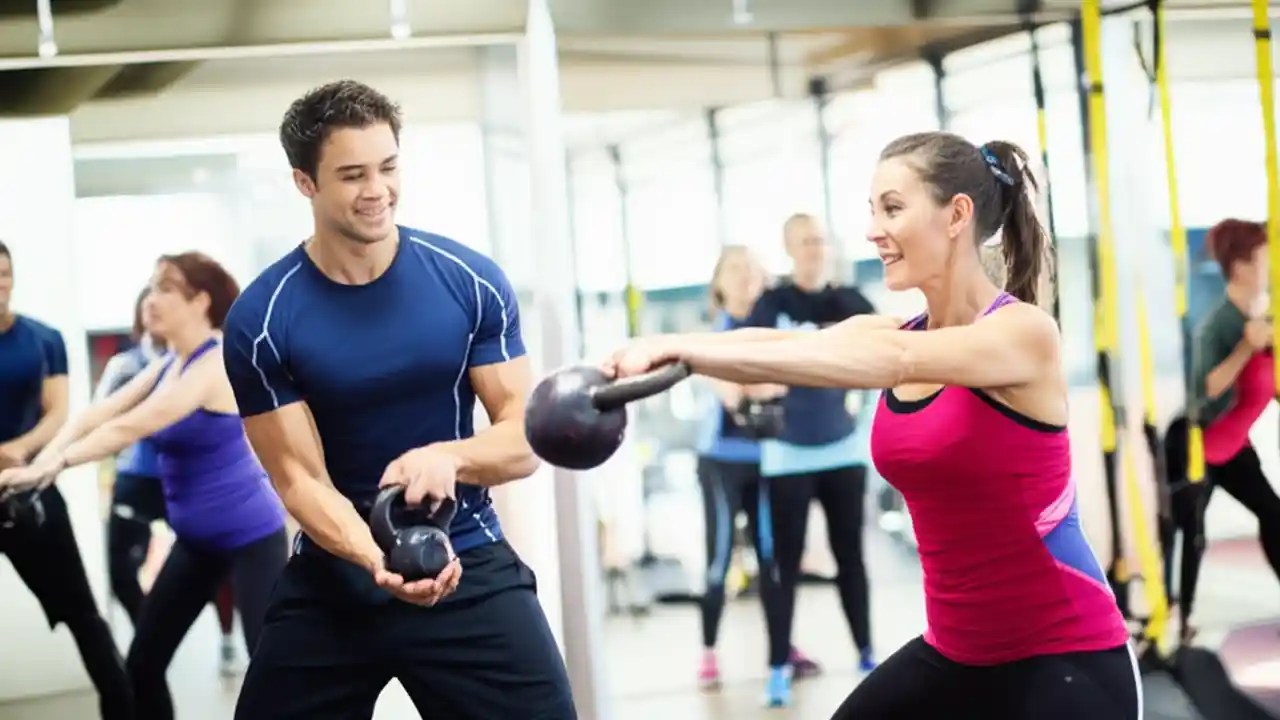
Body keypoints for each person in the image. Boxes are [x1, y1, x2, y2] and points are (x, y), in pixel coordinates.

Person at [603, 132, 1140, 719]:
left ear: (956, 214)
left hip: (1064, 661)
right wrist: (668, 350)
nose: (872, 230)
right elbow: (781, 343)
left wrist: (686, 352)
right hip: (956, 656)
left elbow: (890, 364)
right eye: (872, 210)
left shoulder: (1022, 335)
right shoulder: (897, 332)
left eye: (892, 208)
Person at [221, 79, 574, 720]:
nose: (377, 190)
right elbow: (299, 480)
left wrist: (453, 457)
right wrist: (374, 560)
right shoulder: (262, 320)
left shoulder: (469, 282)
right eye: (352, 175)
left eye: (387, 167)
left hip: (465, 556)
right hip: (335, 576)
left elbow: (526, 435)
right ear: (306, 183)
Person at [1, 251, 290, 720]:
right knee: (143, 665)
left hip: (251, 540)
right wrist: (47, 458)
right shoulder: (170, 363)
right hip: (196, 543)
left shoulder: (215, 361)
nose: (150, 301)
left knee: (272, 676)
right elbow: (100, 414)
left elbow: (130, 427)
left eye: (165, 289)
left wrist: (45, 470)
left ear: (200, 301)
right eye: (152, 288)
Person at [740, 212, 878, 706]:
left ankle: (867, 655)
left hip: (842, 449)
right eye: (805, 241)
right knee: (784, 565)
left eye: (820, 239)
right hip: (787, 455)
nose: (814, 248)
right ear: (789, 247)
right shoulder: (772, 303)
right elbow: (742, 359)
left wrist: (859, 397)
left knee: (850, 557)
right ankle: (778, 666)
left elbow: (890, 352)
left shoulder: (850, 302)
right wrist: (758, 386)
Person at [0, 240, 134, 720]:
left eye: (5, 275)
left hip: (27, 492)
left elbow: (57, 412)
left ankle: (123, 711)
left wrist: (18, 449)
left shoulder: (44, 338)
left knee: (82, 613)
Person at [94, 287, 243, 676]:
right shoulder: (127, 366)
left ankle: (226, 639)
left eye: (164, 302)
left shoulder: (202, 362)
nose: (155, 310)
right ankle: (152, 629)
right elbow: (104, 419)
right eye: (148, 305)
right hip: (136, 480)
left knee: (218, 567)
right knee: (123, 571)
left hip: (189, 485)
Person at [695, 246, 813, 701]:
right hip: (721, 462)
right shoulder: (717, 333)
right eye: (735, 270)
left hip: (769, 462)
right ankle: (708, 651)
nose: (746, 278)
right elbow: (736, 395)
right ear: (720, 283)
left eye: (751, 270)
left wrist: (762, 384)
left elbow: (783, 383)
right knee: (719, 561)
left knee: (773, 562)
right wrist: (759, 384)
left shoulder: (770, 329)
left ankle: (781, 652)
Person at [1180, 218, 1280, 642]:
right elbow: (1206, 389)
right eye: (1262, 256)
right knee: (1192, 537)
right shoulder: (1220, 326)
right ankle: (1180, 618)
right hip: (1201, 448)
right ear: (1240, 266)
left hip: (1234, 448)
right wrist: (1246, 347)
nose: (1270, 263)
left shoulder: (1262, 319)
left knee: (1274, 515)